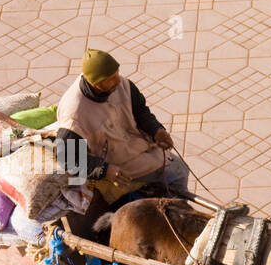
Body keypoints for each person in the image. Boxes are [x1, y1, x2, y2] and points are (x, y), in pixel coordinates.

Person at [53, 48, 190, 211]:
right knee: (178, 173)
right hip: (118, 163)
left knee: (177, 168)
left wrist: (156, 131)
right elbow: (66, 158)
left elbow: (140, 111)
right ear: (96, 83)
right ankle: (177, 216)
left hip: (139, 145)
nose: (118, 80)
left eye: (117, 73)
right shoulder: (75, 116)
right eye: (111, 78)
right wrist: (105, 170)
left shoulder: (121, 85)